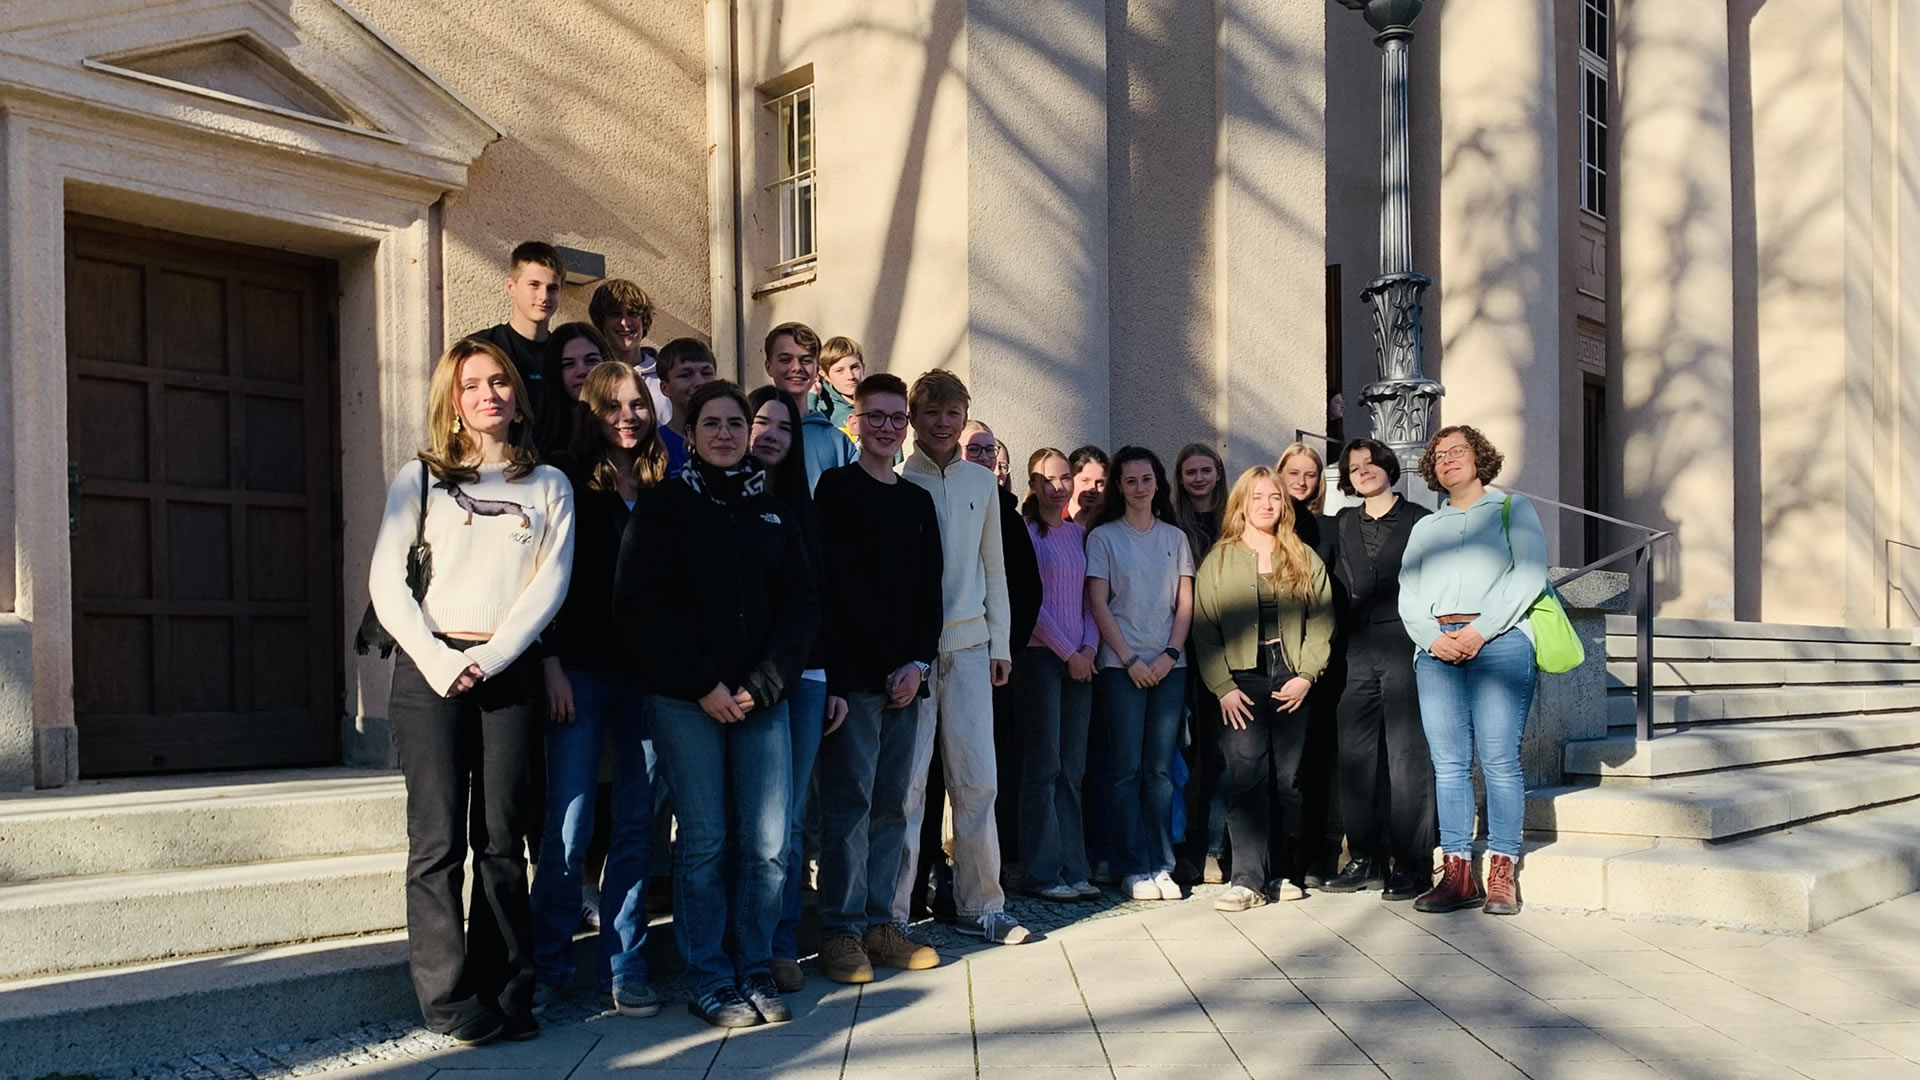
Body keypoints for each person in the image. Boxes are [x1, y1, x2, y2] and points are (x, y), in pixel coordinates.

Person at [367, 338, 575, 1046]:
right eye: (472, 385)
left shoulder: (548, 485)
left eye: (499, 382)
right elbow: (386, 580)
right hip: (428, 674)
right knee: (436, 843)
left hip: (505, 671)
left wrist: (490, 658)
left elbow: (550, 584)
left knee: (502, 839)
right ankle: (449, 1001)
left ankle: (506, 990)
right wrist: (437, 660)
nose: (488, 394)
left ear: (517, 395)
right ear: (453, 402)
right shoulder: (420, 478)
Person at [614, 380, 819, 1027]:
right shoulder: (664, 508)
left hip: (762, 700)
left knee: (768, 845)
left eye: (736, 423)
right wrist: (703, 683)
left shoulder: (775, 513)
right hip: (687, 700)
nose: (726, 434)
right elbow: (641, 608)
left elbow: (800, 609)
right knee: (704, 840)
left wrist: (763, 684)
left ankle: (753, 967)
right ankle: (709, 976)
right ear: (692, 434)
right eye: (713, 424)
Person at [528, 363, 667, 1017]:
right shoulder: (565, 481)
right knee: (571, 823)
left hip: (650, 680)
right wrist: (550, 662)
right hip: (579, 671)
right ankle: (548, 965)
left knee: (636, 827)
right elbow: (540, 578)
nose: (627, 417)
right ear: (592, 412)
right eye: (612, 406)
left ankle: (625, 964)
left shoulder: (665, 486)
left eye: (637, 405)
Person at [812, 372, 945, 983]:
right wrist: (842, 679)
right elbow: (832, 590)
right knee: (850, 805)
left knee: (893, 803)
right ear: (855, 423)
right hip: (855, 683)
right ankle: (840, 930)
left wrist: (917, 665)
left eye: (897, 418)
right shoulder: (836, 490)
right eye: (876, 417)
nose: (887, 427)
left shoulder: (916, 501)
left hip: (906, 682)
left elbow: (929, 593)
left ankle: (881, 924)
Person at [891, 369, 1031, 945]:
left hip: (972, 649)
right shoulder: (898, 479)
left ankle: (982, 906)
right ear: (913, 419)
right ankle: (893, 913)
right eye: (932, 413)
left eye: (953, 414)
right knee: (906, 790)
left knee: (977, 782)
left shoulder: (981, 482)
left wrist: (1001, 643)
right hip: (914, 655)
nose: (943, 424)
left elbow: (994, 567)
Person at [1399, 425, 1545, 917]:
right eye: (1439, 455)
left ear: (1479, 457)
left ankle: (1502, 871)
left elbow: (1529, 574)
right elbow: (1408, 592)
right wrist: (1432, 638)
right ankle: (1457, 872)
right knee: (1449, 764)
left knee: (1500, 759)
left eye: (1458, 450)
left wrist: (1481, 631)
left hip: (1500, 643)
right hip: (1436, 649)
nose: (1448, 459)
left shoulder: (1512, 510)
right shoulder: (1426, 528)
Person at [1191, 466, 1334, 911]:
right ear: (1241, 505)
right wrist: (1222, 686)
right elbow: (1204, 627)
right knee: (1246, 775)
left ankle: (1283, 873)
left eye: (1274, 497)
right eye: (1257, 497)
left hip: (1291, 674)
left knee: (1288, 780)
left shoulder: (1302, 556)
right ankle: (1247, 880)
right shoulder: (1220, 559)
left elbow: (1322, 621)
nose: (1267, 505)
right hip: (1240, 679)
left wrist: (1307, 675)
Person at [746, 384, 845, 992]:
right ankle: (744, 943)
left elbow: (821, 601)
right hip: (746, 683)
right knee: (749, 820)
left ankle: (780, 945)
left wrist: (831, 678)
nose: (772, 434)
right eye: (762, 421)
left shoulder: (806, 511)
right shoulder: (721, 501)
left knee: (788, 820)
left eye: (785, 426)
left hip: (806, 679)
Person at [1324, 438, 1435, 901]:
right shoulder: (1341, 523)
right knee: (1355, 755)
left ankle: (1411, 863)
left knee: (1408, 756)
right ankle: (1365, 857)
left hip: (1405, 644)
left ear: (1388, 467)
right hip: (1353, 650)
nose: (1364, 471)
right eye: (1354, 467)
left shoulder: (1421, 520)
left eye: (1371, 463)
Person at [1084, 446, 1194, 903]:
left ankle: (1162, 863)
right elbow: (1098, 603)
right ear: (1119, 486)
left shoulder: (1175, 538)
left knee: (1160, 771)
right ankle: (1131, 866)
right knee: (1125, 769)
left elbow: (1185, 604)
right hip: (1120, 667)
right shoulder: (1103, 538)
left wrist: (1170, 653)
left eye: (1146, 479)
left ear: (1157, 483)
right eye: (1130, 481)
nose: (1139, 488)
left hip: (1170, 666)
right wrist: (1130, 659)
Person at [1013, 447, 1100, 901]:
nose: (1058, 486)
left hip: (1080, 662)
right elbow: (1030, 604)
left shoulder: (1079, 535)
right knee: (1043, 766)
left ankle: (1074, 867)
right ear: (1032, 483)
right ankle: (1042, 872)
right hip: (1040, 658)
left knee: (1072, 769)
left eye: (1065, 477)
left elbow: (1090, 601)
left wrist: (1088, 648)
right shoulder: (1026, 533)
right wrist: (1069, 652)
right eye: (1047, 478)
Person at [962, 420, 1041, 873]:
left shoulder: (1008, 518)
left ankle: (997, 862)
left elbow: (1026, 591)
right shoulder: (932, 498)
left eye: (991, 452)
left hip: (998, 664)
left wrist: (1005, 649)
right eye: (974, 449)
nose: (985, 459)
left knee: (998, 764)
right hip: (941, 658)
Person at [1277, 441, 1345, 887]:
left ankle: (1318, 856)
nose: (1302, 482)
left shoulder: (1330, 529)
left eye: (1311, 474)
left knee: (1318, 760)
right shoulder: (1263, 526)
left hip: (1318, 659)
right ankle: (1282, 856)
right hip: (1272, 658)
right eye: (1294, 473)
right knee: (1282, 766)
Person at [466, 241, 563, 407]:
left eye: (552, 288)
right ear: (511, 287)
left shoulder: (565, 353)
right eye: (534, 285)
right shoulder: (482, 347)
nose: (544, 296)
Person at [763, 321, 856, 491]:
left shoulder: (838, 441)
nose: (796, 368)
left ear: (816, 369)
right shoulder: (750, 434)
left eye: (805, 360)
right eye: (785, 360)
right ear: (769, 367)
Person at [589, 278, 672, 426]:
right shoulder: (591, 378)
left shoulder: (666, 376)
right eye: (615, 314)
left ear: (643, 321)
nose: (625, 323)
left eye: (633, 314)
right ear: (601, 322)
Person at [530, 322, 609, 457]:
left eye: (591, 361)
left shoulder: (628, 429)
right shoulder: (534, 441)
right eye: (569, 364)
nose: (582, 371)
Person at [653, 337, 716, 473]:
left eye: (706, 373)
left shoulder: (731, 440)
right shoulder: (655, 446)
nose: (699, 382)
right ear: (664, 388)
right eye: (686, 375)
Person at [811, 335, 865, 436]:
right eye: (839, 371)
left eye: (854, 367)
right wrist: (811, 398)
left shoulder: (879, 403)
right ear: (825, 375)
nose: (850, 376)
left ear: (863, 368)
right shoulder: (820, 410)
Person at [1066, 445, 1109, 525]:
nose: (1093, 489)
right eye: (1085, 480)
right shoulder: (1052, 521)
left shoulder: (1113, 525)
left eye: (1100, 482)